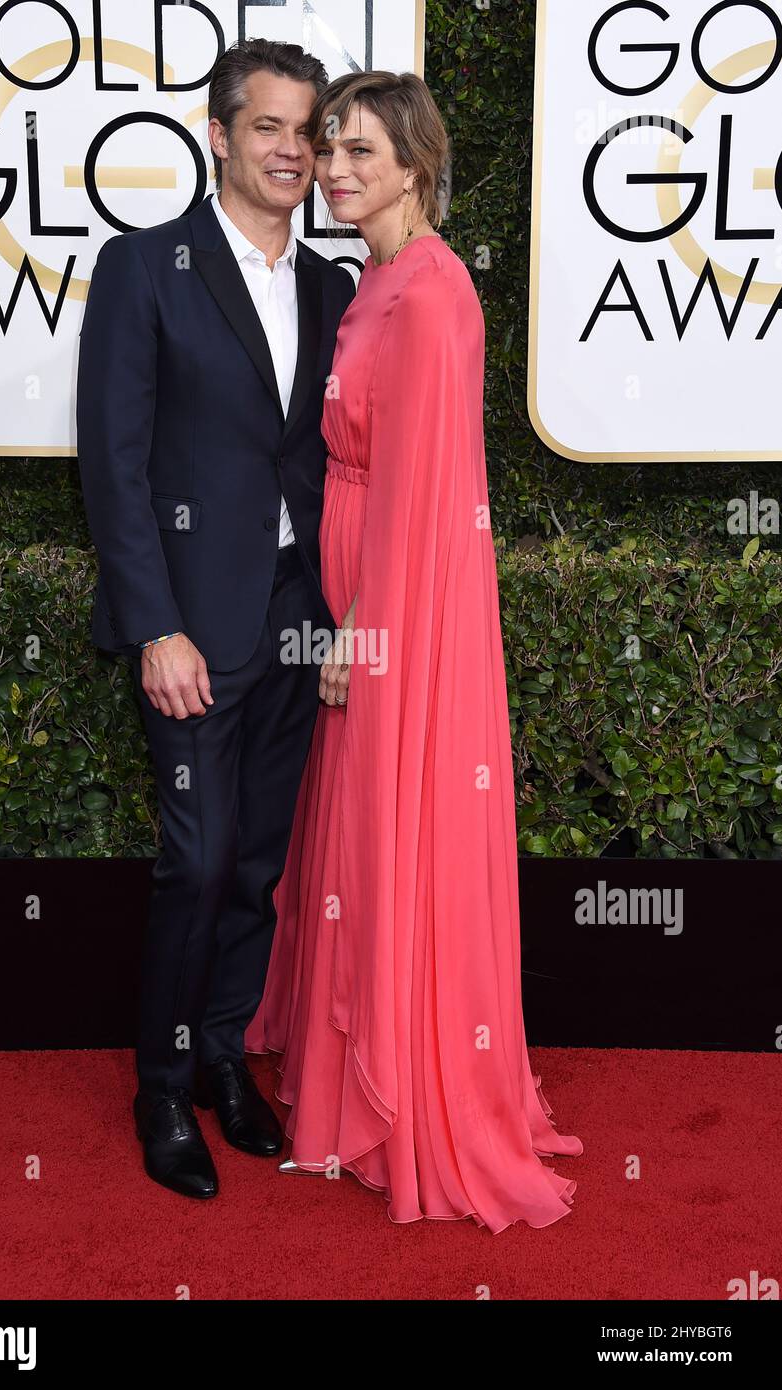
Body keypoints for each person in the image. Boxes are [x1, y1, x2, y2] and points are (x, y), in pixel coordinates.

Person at [245, 71, 583, 1231]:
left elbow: (425, 495)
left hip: (394, 608)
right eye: (329, 147)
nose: (334, 169)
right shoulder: (374, 274)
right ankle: (347, 1066)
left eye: (361, 154)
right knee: (347, 835)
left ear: (418, 164)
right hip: (354, 584)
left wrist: (363, 634)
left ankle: (408, 1089)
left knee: (396, 833)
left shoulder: (433, 293)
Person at [76, 38, 355, 1200]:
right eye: (269, 129)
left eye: (307, 132)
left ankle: (225, 1059)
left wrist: (345, 612)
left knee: (256, 862)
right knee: (194, 863)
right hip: (194, 620)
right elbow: (114, 462)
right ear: (219, 134)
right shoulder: (146, 267)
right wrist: (156, 626)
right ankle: (159, 1085)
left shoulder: (336, 288)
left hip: (299, 613)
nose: (292, 151)